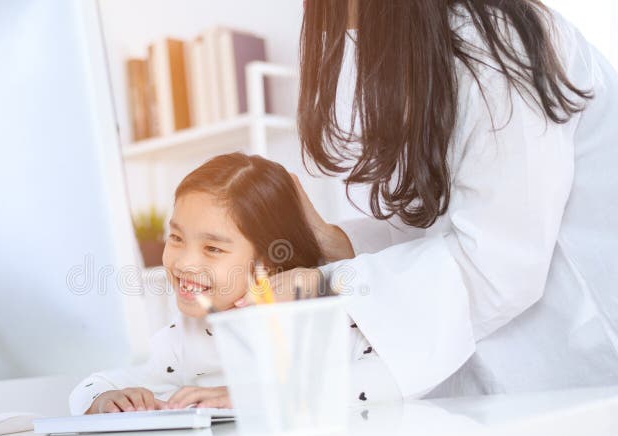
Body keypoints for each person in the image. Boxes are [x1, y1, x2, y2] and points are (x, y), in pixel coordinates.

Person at [242, 0, 618, 400]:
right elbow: (446, 223)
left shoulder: (493, 43)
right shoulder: (429, 51)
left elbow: (500, 262)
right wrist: (337, 244)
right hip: (527, 384)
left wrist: (325, 286)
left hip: (585, 373)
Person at [68, 152, 394, 415]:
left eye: (213, 248)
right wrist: (107, 400)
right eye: (176, 237)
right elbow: (94, 386)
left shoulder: (322, 315)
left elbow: (387, 379)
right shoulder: (187, 336)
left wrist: (254, 397)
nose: (183, 263)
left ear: (269, 261)